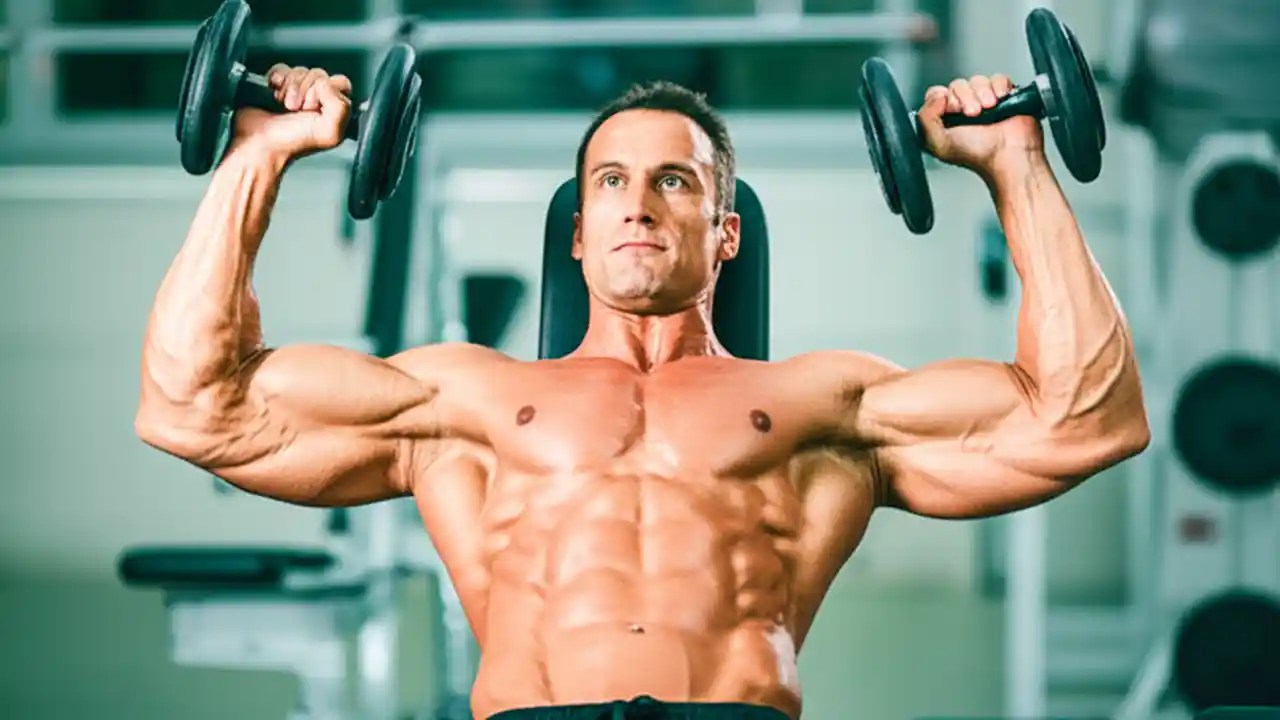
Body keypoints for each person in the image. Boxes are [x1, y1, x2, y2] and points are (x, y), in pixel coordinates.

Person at [134, 63, 1150, 720]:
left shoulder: (820, 408)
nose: (637, 203)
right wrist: (256, 156)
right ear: (574, 234)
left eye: (675, 180)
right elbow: (190, 404)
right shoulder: (461, 402)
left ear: (725, 231)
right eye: (609, 181)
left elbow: (1083, 416)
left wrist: (1015, 164)